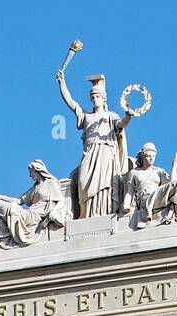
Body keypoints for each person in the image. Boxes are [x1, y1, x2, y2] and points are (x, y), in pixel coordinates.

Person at [56, 69, 132, 217]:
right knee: (84, 184)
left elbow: (121, 125)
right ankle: (87, 214)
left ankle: (104, 212)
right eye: (92, 97)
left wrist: (128, 115)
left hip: (105, 152)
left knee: (105, 185)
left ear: (104, 99)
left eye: (97, 96)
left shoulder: (111, 116)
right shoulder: (87, 117)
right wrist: (62, 82)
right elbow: (71, 102)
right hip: (89, 153)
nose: (95, 99)